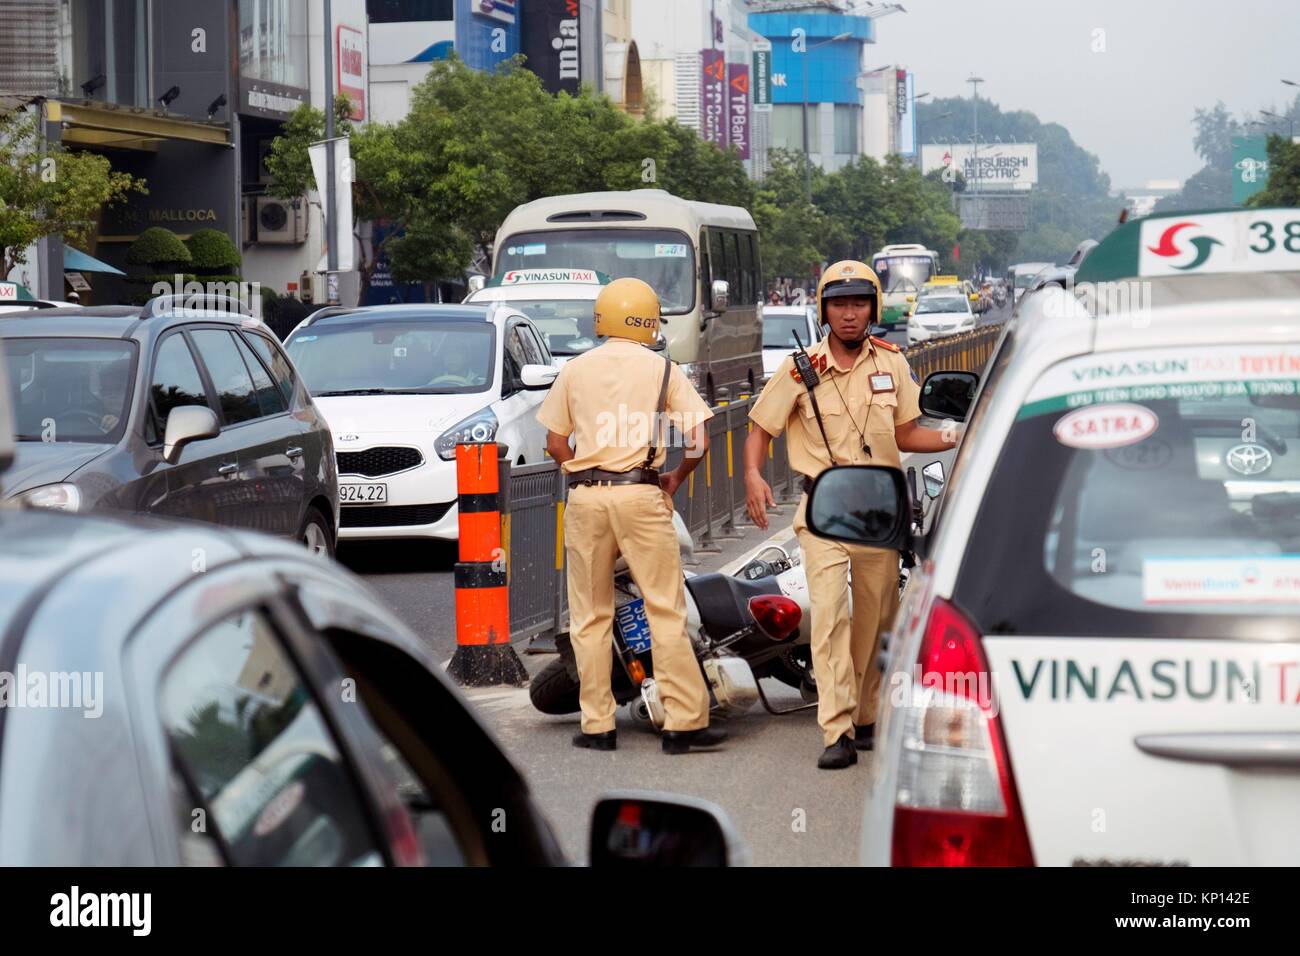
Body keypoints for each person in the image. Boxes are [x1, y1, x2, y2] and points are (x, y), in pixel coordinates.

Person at [742, 260, 958, 770]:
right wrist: (752, 475)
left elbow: (907, 434)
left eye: (859, 303)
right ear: (824, 309)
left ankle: (865, 714)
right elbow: (759, 429)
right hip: (823, 509)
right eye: (839, 304)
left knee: (879, 619)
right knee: (831, 617)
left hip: (880, 510)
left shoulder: (892, 362)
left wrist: (955, 435)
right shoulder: (800, 369)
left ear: (873, 308)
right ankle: (836, 729)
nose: (849, 313)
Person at [536, 277, 726, 755]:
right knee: (664, 607)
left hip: (586, 499)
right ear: (647, 321)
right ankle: (682, 724)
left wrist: (583, 472)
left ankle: (598, 725)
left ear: (604, 319)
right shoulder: (663, 370)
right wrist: (675, 477)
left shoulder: (575, 370)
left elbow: (556, 443)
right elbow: (700, 436)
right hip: (641, 494)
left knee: (589, 616)